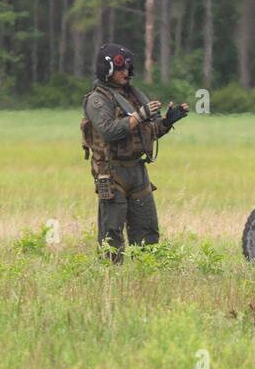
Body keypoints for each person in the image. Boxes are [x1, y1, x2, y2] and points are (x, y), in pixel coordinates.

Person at [81, 43, 189, 261]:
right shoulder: (97, 99)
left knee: (147, 230)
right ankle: (110, 281)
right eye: (120, 69)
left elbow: (149, 131)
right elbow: (109, 131)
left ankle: (146, 275)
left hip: (137, 171)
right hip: (112, 172)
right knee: (111, 234)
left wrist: (168, 121)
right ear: (107, 70)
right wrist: (139, 116)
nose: (126, 73)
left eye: (127, 69)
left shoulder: (134, 96)